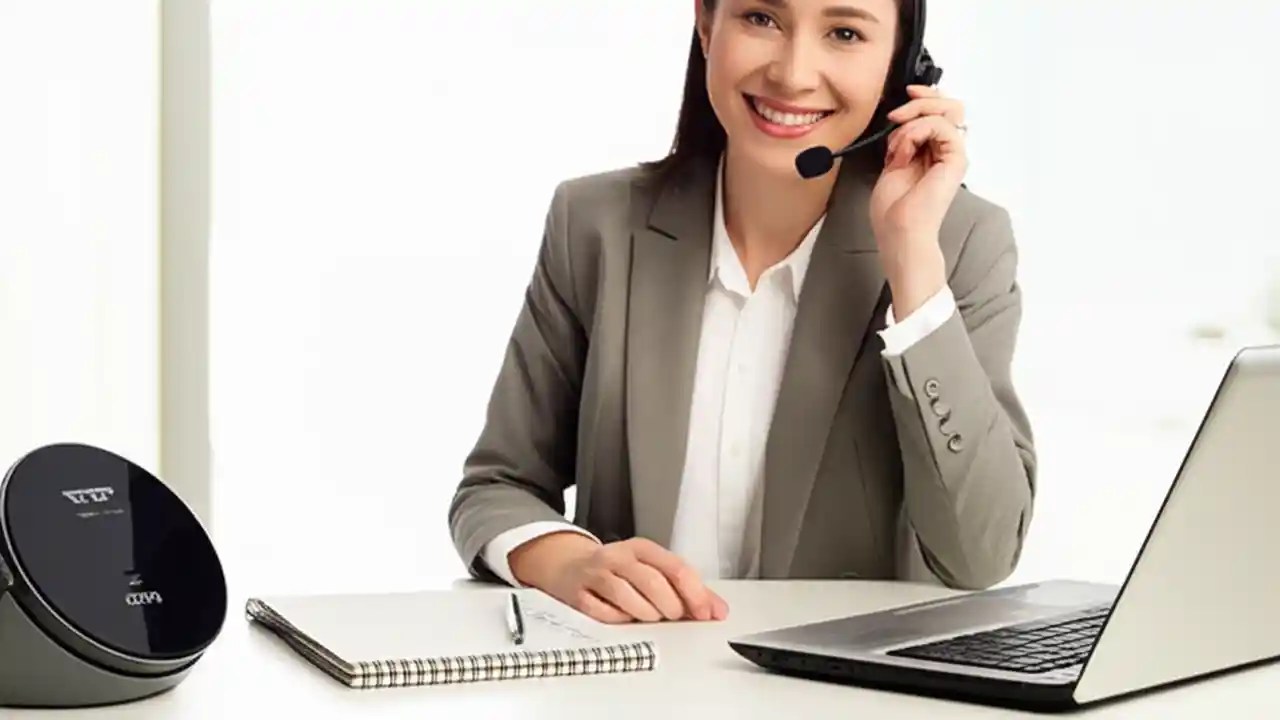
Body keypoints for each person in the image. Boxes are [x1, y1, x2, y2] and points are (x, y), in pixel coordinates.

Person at [448, 0, 1036, 625]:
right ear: (707, 23)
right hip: (634, 690)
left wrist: (913, 264)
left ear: (900, 63)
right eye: (761, 18)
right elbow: (495, 487)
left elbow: (983, 554)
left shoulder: (956, 242)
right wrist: (565, 560)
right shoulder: (595, 226)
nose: (793, 72)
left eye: (843, 32)